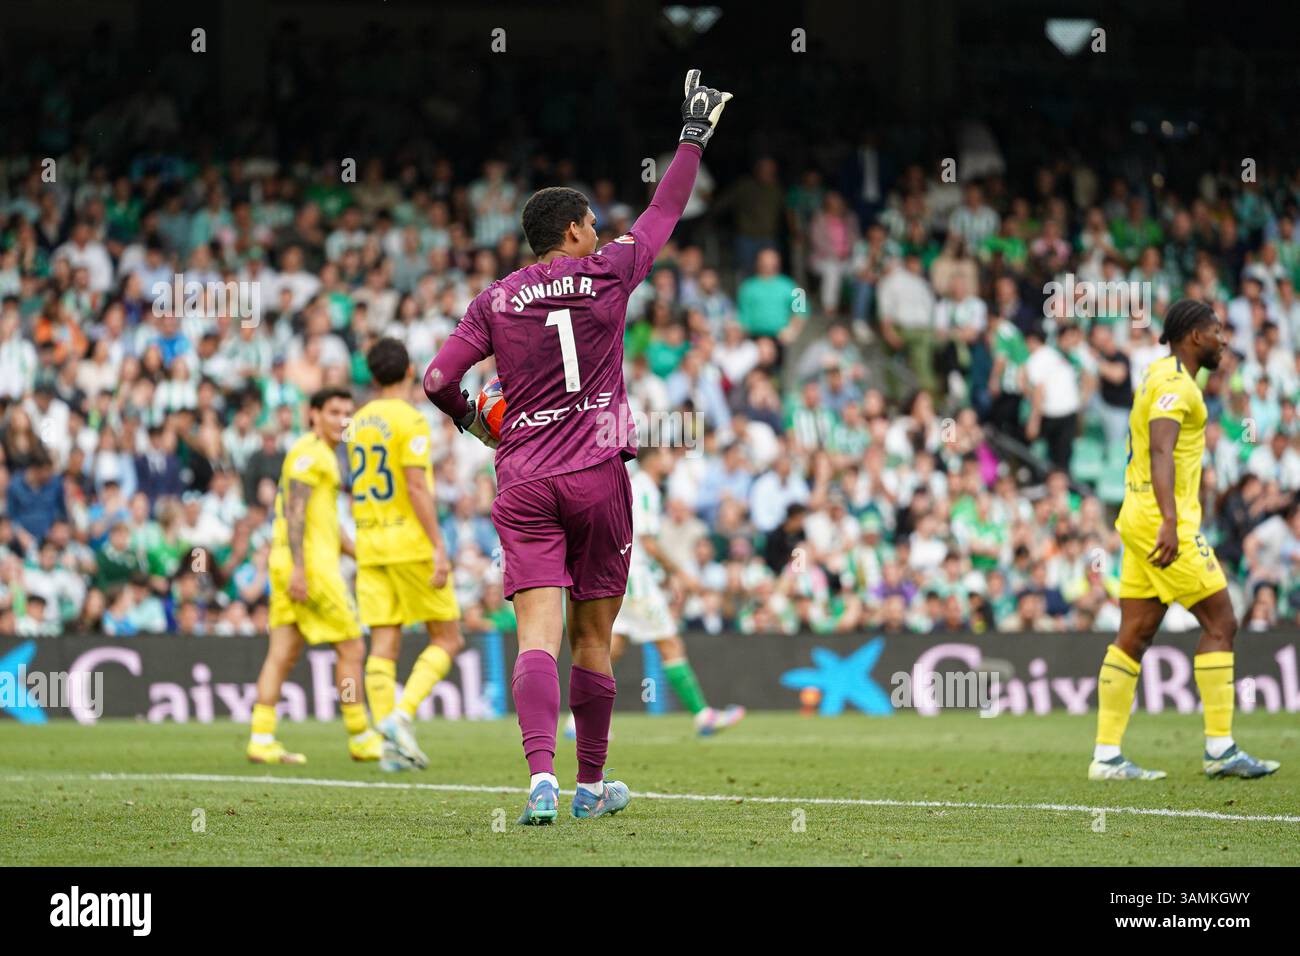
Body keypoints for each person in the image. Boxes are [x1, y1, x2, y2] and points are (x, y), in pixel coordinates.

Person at [424, 71, 731, 824]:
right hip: (596, 470)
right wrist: (692, 134)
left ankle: (539, 782)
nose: (600, 231)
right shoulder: (608, 271)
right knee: (594, 641)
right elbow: (666, 210)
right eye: (592, 223)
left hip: (523, 476)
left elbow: (436, 378)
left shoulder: (492, 300)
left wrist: (475, 422)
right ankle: (591, 787)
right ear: (571, 234)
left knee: (537, 637)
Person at [1090, 299, 1279, 781]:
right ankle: (1220, 748)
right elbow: (1160, 448)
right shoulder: (1176, 385)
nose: (1222, 339)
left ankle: (1106, 756)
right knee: (1222, 619)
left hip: (1136, 518)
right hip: (1161, 522)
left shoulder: (1158, 374)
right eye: (1216, 331)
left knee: (1134, 633)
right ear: (1195, 336)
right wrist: (1171, 522)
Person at [563, 446, 744, 740]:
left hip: (620, 572)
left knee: (612, 647)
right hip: (636, 580)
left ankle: (578, 719)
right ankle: (702, 715)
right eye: (666, 455)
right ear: (654, 459)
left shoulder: (632, 482)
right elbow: (646, 542)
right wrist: (680, 573)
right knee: (669, 643)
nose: (670, 460)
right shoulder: (645, 488)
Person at [247, 386, 384, 765]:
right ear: (314, 414)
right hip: (311, 568)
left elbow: (325, 524)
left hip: (293, 563)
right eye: (334, 412)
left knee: (283, 653)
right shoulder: (310, 454)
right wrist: (301, 569)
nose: (342, 419)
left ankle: (261, 737)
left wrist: (363, 555)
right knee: (352, 647)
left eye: (346, 412)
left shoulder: (321, 453)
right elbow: (295, 512)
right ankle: (360, 735)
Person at [351, 338, 466, 772]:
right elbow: (416, 486)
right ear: (409, 370)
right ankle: (400, 717)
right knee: (448, 638)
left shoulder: (358, 422)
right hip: (410, 544)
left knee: (383, 643)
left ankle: (389, 746)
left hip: (369, 543)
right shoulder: (411, 420)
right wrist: (439, 545)